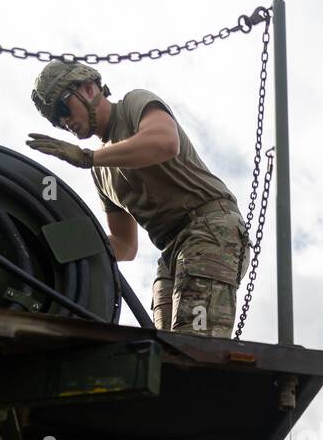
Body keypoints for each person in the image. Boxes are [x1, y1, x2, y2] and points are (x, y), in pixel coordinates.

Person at [27, 62, 249, 335]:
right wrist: (58, 245)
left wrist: (88, 157)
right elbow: (124, 245)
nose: (63, 122)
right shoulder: (101, 173)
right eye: (55, 120)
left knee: (194, 345)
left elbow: (164, 142)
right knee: (163, 349)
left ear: (88, 89)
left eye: (62, 109)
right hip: (171, 250)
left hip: (210, 228)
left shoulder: (134, 104)